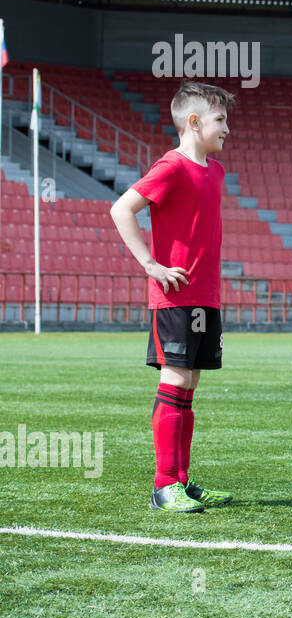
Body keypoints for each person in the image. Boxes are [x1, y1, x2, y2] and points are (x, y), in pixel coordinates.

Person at [109, 81, 236, 514]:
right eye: (221, 120)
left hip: (206, 296)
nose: (227, 129)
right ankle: (164, 486)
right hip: (175, 296)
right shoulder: (172, 166)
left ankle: (182, 480)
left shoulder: (215, 172)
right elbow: (121, 209)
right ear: (195, 122)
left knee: (191, 384)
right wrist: (151, 265)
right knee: (176, 380)